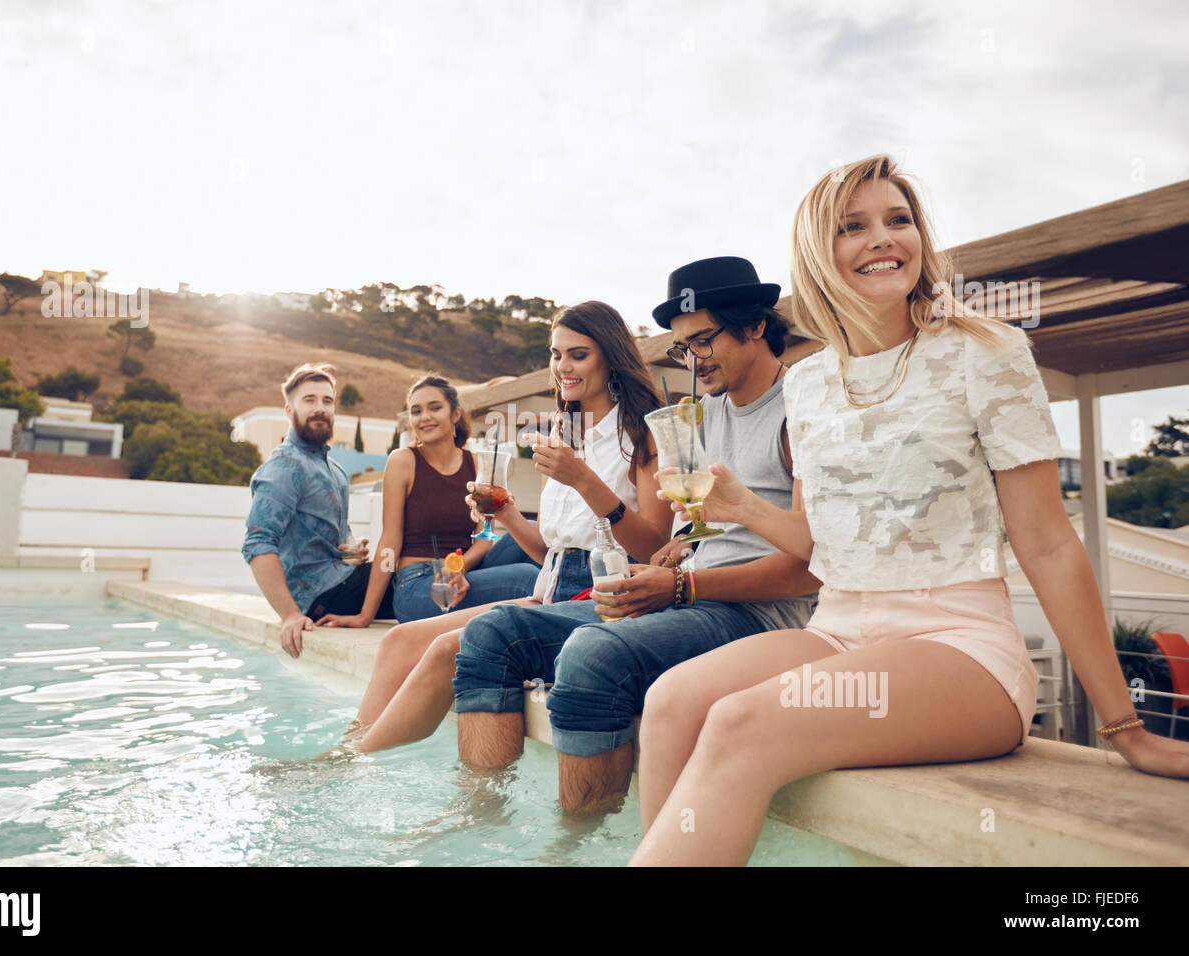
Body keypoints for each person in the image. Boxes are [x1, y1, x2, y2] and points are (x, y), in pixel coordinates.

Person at [630, 156, 1189, 867]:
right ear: (817, 255)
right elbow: (818, 543)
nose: (883, 238)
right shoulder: (807, 386)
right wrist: (738, 504)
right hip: (838, 630)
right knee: (673, 701)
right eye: (853, 227)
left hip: (961, 646)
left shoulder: (985, 352)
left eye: (899, 221)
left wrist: (1124, 726)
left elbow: (1047, 542)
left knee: (743, 724)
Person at [452, 256, 822, 813]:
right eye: (682, 348)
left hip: (756, 613)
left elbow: (807, 567)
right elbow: (693, 534)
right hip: (689, 596)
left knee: (592, 655)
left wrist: (681, 587)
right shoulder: (703, 416)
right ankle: (481, 822)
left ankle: (579, 842)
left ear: (755, 325)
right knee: (492, 633)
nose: (694, 361)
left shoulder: (801, 412)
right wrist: (679, 552)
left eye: (703, 341)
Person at [346, 300, 675, 753]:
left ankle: (349, 765)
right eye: (556, 354)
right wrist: (506, 515)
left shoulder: (643, 433)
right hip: (550, 586)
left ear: (611, 356)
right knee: (399, 641)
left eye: (578, 354)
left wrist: (582, 478)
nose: (563, 367)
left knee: (447, 650)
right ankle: (349, 745)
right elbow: (548, 551)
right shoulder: (562, 432)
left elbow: (654, 546)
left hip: (604, 592)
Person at [314, 374, 540, 627]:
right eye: (416, 411)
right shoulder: (403, 461)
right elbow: (390, 541)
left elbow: (483, 539)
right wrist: (365, 615)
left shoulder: (475, 463)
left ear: (455, 414)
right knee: (526, 579)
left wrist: (458, 566)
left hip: (465, 571)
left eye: (435, 408)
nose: (425, 417)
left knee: (529, 536)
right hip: (418, 585)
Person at [242, 363, 392, 657]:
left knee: (410, 573)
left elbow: (331, 541)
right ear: (289, 410)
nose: (320, 408)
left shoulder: (334, 469)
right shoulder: (284, 466)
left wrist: (350, 552)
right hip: (320, 598)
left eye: (327, 400)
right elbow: (258, 544)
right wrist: (290, 615)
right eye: (309, 400)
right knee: (414, 579)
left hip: (342, 580)